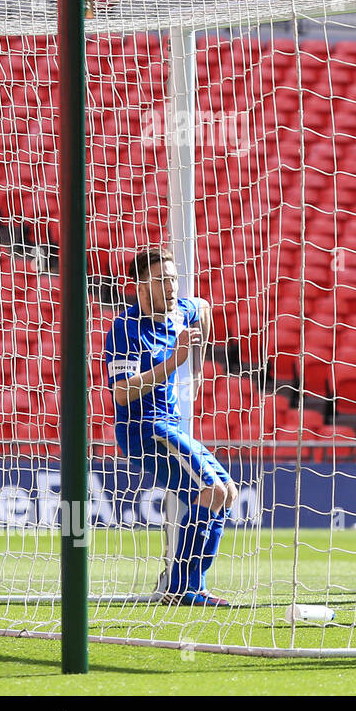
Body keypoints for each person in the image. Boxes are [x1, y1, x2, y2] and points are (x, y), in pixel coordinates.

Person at [104, 247, 237, 606]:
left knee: (227, 490)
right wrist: (176, 360)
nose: (171, 287)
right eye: (162, 280)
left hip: (171, 425)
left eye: (173, 278)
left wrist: (196, 364)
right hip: (142, 430)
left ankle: (191, 584)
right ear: (141, 288)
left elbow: (205, 306)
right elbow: (121, 392)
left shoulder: (180, 312)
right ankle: (183, 588)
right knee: (210, 491)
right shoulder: (125, 328)